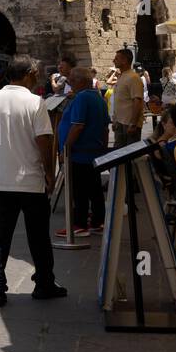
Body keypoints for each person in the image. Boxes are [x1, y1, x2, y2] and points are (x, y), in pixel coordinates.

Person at [0, 55, 66, 307]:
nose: (37, 78)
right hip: (30, 181)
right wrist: (50, 172)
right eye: (35, 74)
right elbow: (44, 140)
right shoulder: (35, 102)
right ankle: (44, 283)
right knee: (38, 235)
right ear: (27, 74)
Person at [56, 66, 109, 237]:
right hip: (94, 150)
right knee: (94, 188)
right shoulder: (98, 98)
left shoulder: (82, 98)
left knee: (79, 190)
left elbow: (78, 125)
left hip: (80, 152)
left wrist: (66, 147)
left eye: (71, 77)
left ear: (79, 81)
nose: (68, 80)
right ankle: (97, 221)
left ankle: (79, 224)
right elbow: (105, 128)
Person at [110, 48, 145, 148]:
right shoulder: (122, 76)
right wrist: (115, 120)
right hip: (120, 123)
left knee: (130, 155)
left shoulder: (133, 78)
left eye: (116, 59)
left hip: (129, 124)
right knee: (118, 153)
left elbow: (137, 101)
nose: (113, 60)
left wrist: (133, 123)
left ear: (124, 60)